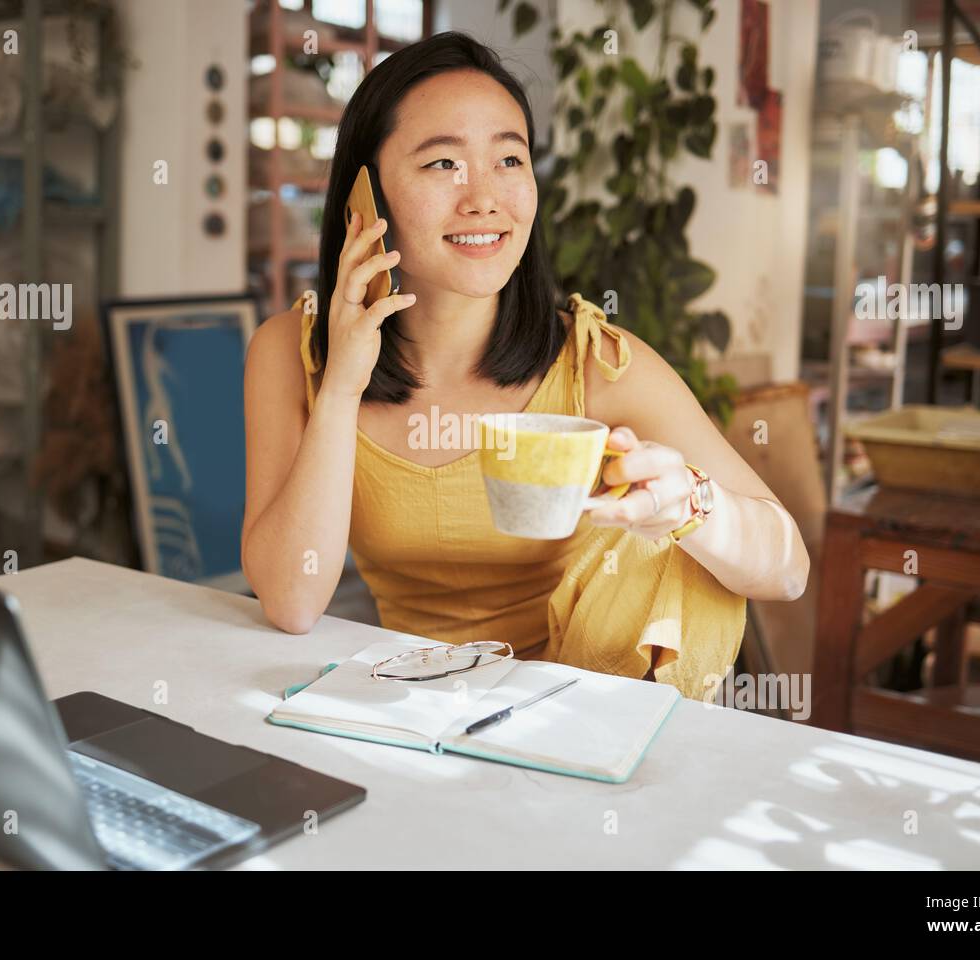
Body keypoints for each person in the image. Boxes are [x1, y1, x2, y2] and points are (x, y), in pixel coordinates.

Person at [242, 32, 808, 698]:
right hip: (409, 710)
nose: (485, 198)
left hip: (577, 724)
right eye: (442, 164)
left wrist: (687, 505)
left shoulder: (597, 365)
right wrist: (341, 388)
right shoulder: (290, 352)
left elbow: (788, 568)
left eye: (508, 159)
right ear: (366, 197)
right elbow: (291, 602)